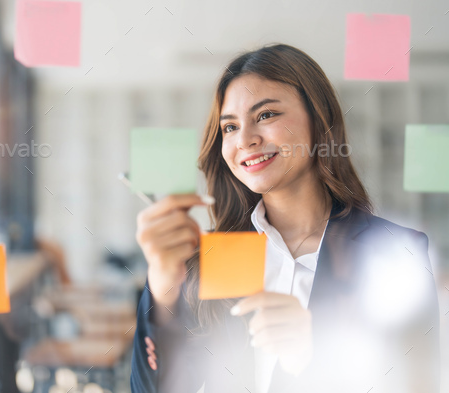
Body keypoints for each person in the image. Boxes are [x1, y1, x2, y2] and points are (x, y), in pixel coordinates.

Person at [130, 44, 440, 393]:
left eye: (265, 115)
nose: (245, 140)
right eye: (229, 127)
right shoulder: (218, 257)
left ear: (318, 119)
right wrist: (163, 291)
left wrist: (313, 359)